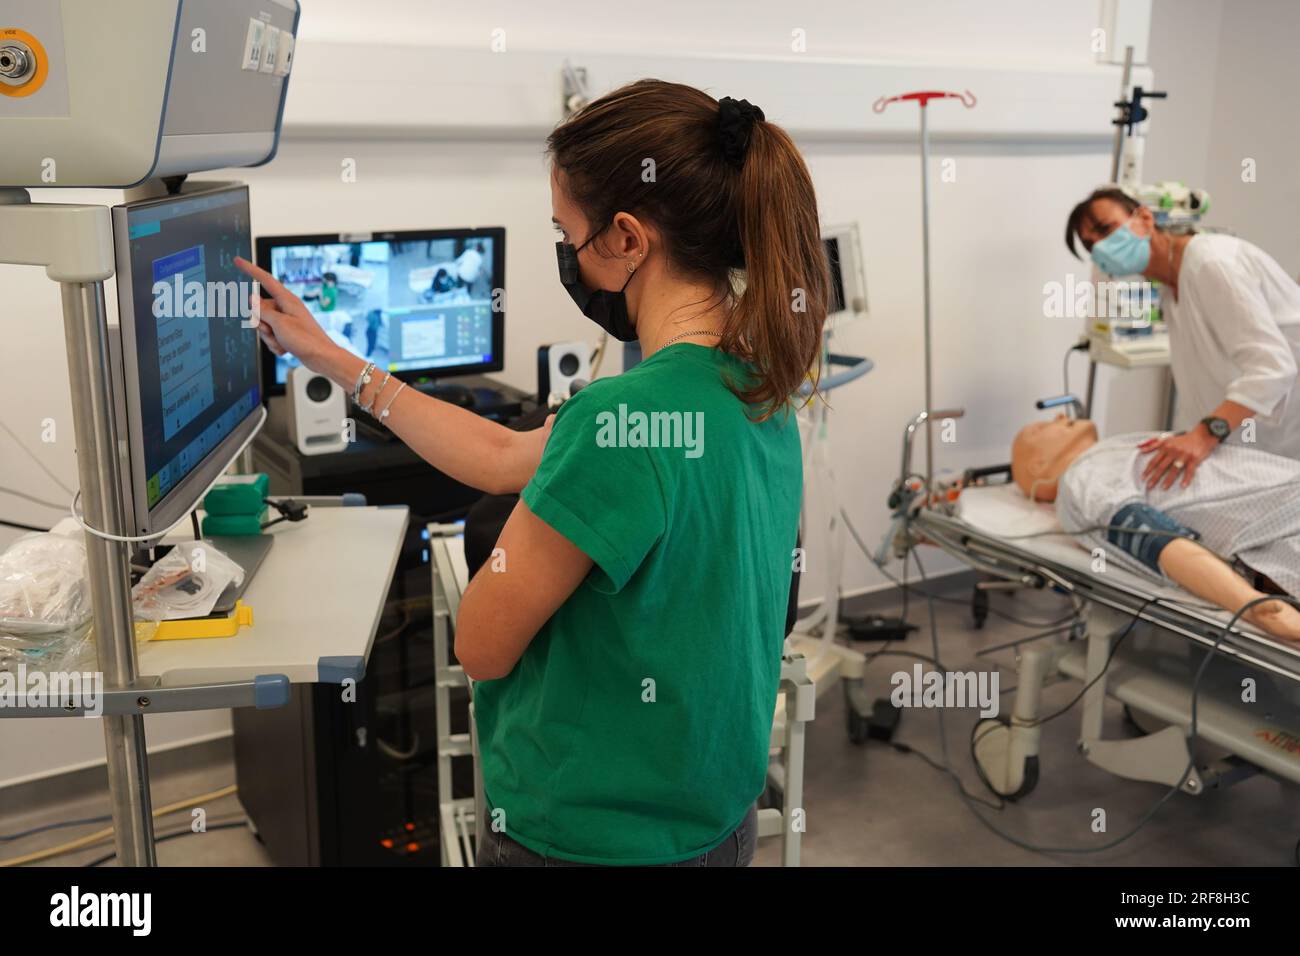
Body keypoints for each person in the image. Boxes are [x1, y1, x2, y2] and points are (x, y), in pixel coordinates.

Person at [235, 79, 829, 866]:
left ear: (625, 238)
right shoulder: (762, 386)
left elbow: (480, 645)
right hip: (715, 818)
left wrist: (497, 550)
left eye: (566, 232)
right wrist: (333, 359)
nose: (566, 256)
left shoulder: (618, 421)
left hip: (587, 839)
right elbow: (499, 454)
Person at [1065, 187, 1300, 486]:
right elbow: (1203, 385)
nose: (1099, 247)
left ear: (1145, 218)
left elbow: (1274, 366)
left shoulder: (1211, 263)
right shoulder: (1170, 287)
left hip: (1285, 447)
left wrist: (1204, 436)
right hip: (1245, 453)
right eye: (1090, 244)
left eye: (1105, 229)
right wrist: (1190, 437)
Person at [1011, 415, 1300, 641]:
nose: (1061, 416)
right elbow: (1163, 544)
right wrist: (1250, 605)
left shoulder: (1113, 449)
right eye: (1042, 427)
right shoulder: (1081, 478)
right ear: (1038, 465)